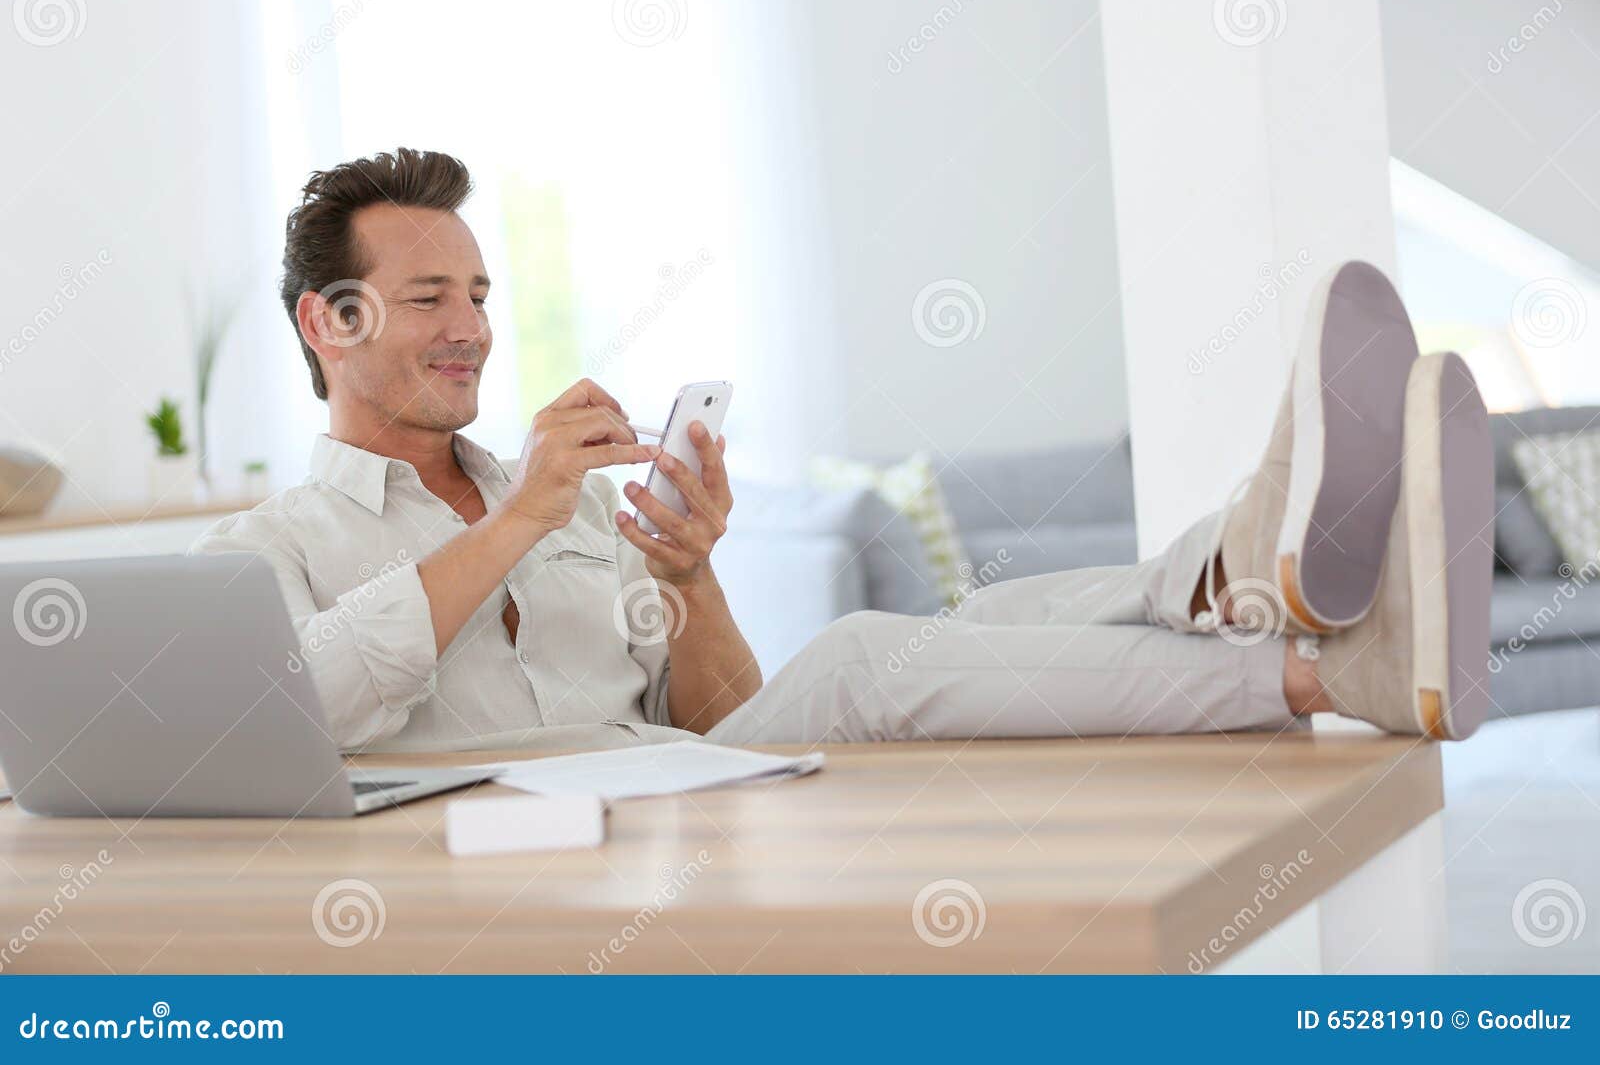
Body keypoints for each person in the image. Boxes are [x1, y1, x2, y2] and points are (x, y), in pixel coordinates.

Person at [194, 148, 1494, 754]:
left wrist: (689, 571)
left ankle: (1255, 594)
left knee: (963, 623)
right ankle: (1306, 659)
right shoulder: (271, 548)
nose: (473, 327)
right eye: (431, 298)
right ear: (331, 320)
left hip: (675, 792)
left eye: (479, 293)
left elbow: (717, 712)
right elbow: (296, 703)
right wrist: (519, 520)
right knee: (871, 650)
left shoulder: (567, 508)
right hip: (517, 845)